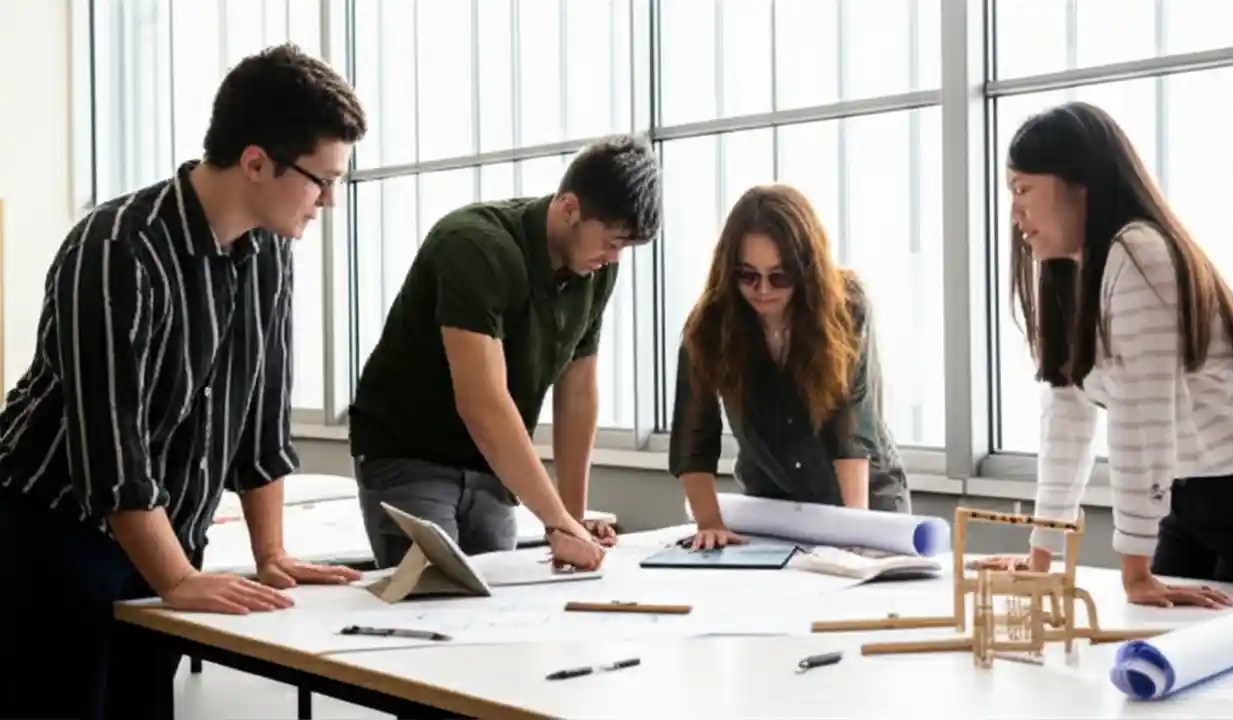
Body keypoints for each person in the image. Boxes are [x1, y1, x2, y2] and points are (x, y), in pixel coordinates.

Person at [0, 44, 367, 719]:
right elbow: (111, 453)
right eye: (323, 180)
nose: (330, 202)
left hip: (169, 527)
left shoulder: (269, 255)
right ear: (257, 162)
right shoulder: (114, 248)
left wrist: (272, 552)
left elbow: (260, 418)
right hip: (54, 528)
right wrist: (178, 577)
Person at [1005, 100, 1233, 604]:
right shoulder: (1070, 273)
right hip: (1189, 492)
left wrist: (1135, 574)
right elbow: (1066, 422)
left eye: (1024, 190)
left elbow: (1143, 415)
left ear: (1078, 185)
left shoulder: (1138, 252)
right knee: (1160, 638)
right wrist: (1040, 556)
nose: (1015, 212)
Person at [348, 135, 661, 571]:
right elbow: (483, 402)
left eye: (624, 248)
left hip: (493, 470)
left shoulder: (594, 269)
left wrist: (573, 516)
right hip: (411, 455)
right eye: (611, 242)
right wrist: (556, 523)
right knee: (437, 597)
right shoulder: (475, 245)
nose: (613, 258)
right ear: (569, 208)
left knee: (499, 604)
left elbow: (578, 393)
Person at [668, 184, 911, 551]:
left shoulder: (847, 308)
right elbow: (693, 437)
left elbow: (851, 435)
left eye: (779, 276)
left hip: (865, 502)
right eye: (747, 275)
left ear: (805, 269)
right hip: (773, 507)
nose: (762, 290)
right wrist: (710, 524)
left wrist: (854, 536)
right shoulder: (710, 324)